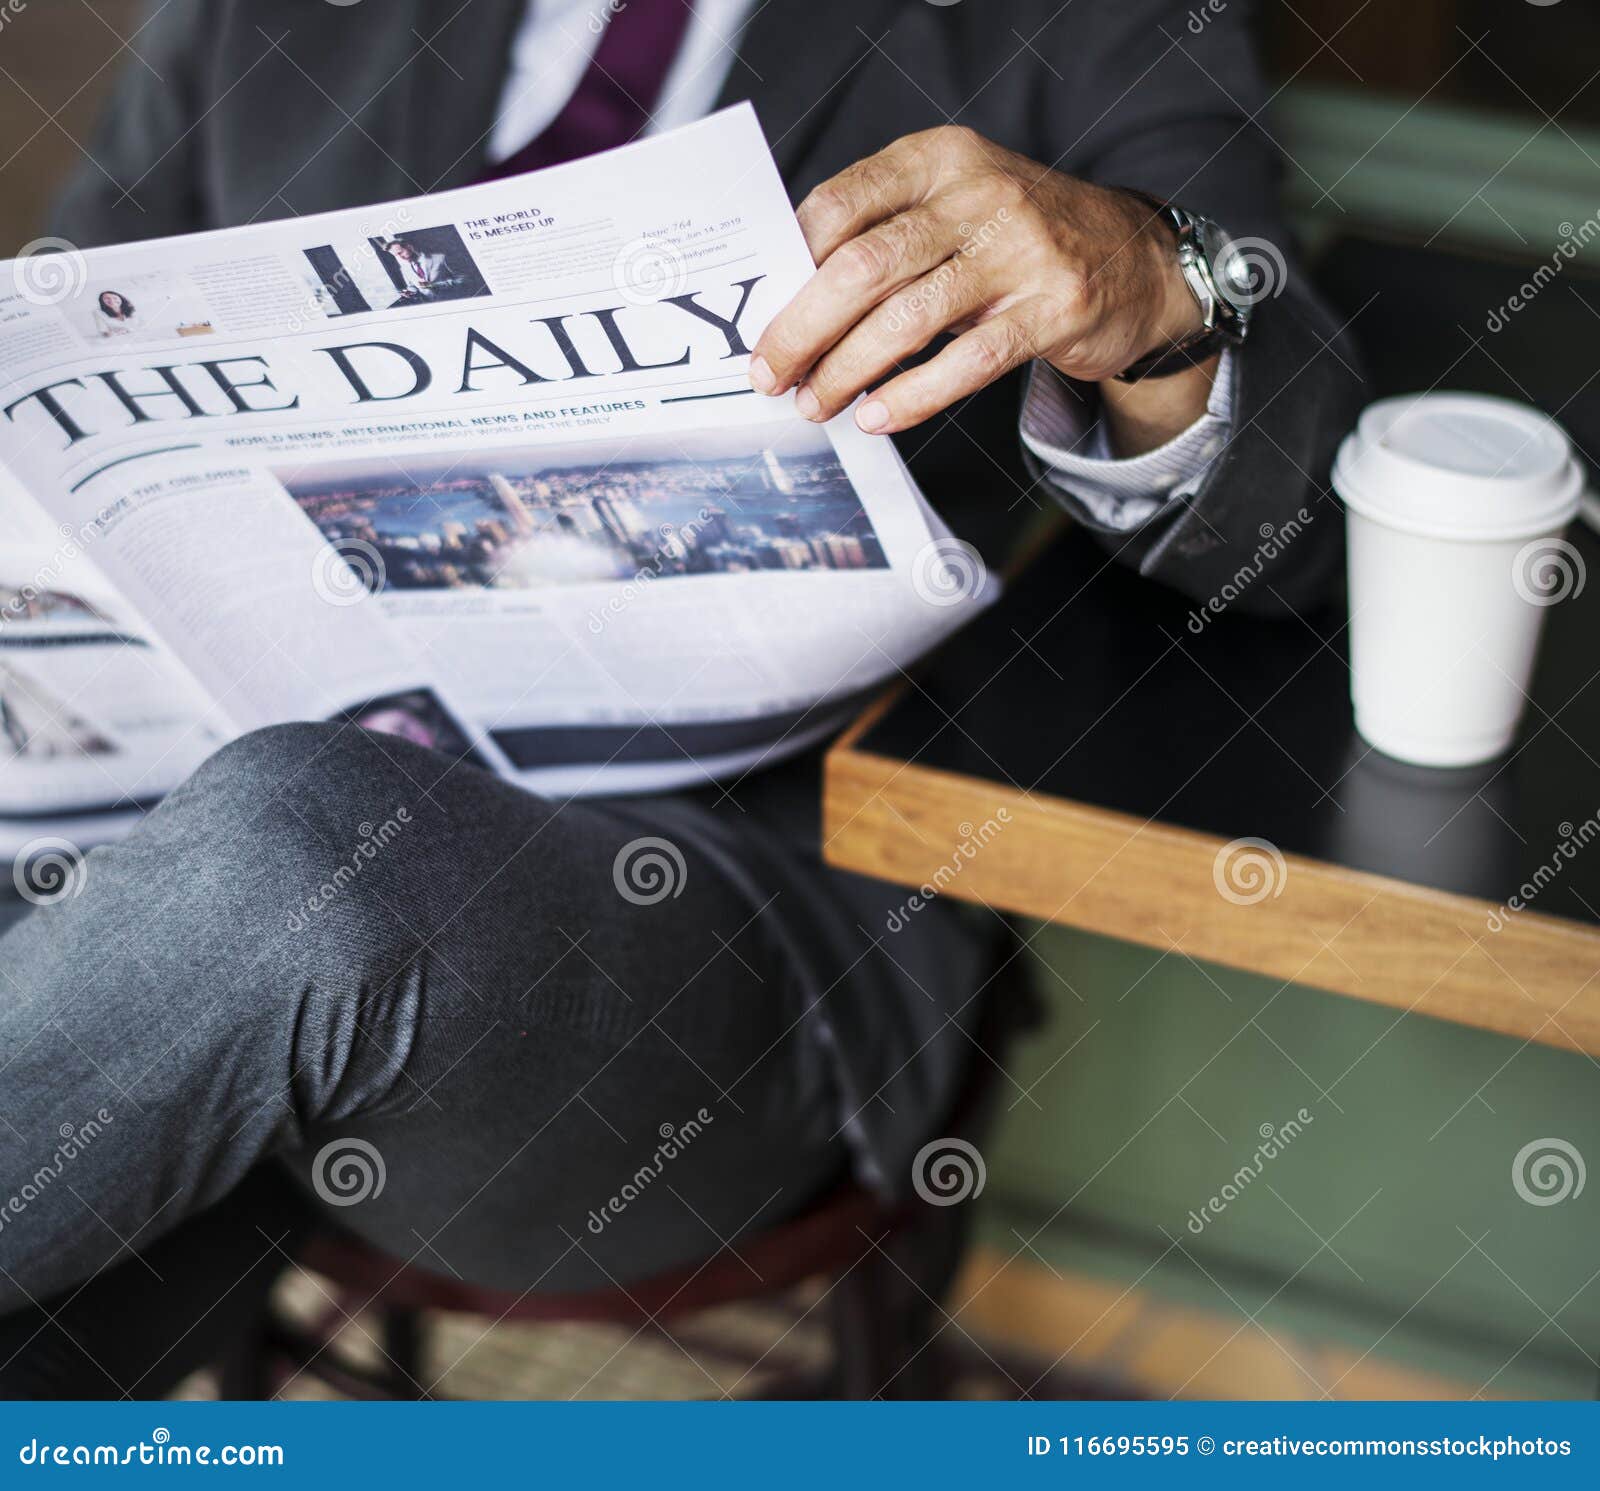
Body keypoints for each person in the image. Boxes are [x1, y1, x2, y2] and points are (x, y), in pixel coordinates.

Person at [2, 0, 1364, 1397]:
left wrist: (1152, 293)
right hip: (160, 857)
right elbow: (59, 350)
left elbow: (1301, 519)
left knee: (281, 862)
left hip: (718, 921)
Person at [382, 236, 467, 302]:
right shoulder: (404, 269)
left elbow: (463, 279)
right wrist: (410, 293)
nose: (400, 257)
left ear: (409, 247)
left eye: (400, 252)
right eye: (396, 255)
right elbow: (413, 287)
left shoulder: (440, 258)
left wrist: (434, 285)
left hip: (457, 301)